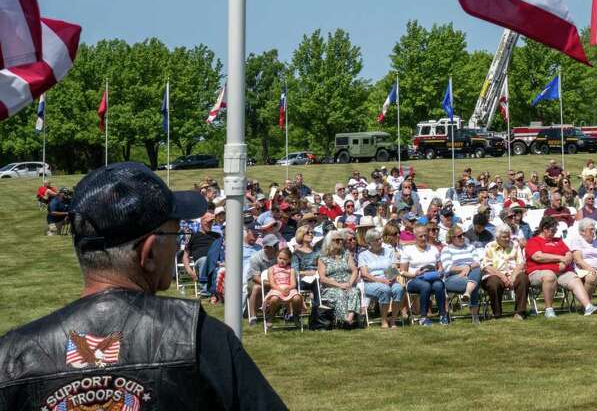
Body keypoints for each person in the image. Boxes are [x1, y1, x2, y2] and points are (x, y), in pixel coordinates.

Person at [0, 161, 285, 410]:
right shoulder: (199, 337)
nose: (177, 244)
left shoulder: (14, 353)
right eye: (175, 232)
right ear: (148, 253)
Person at [525, 216, 597, 318]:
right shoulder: (533, 241)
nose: (555, 232)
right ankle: (549, 310)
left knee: (574, 278)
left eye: (556, 230)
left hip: (561, 272)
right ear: (544, 229)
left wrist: (565, 262)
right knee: (549, 276)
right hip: (539, 272)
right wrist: (560, 258)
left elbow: (569, 254)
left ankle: (588, 307)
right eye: (553, 230)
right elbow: (538, 256)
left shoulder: (558, 240)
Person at [399, 224, 448, 326]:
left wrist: (440, 271)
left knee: (439, 285)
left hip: (432, 277)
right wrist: (414, 274)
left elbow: (440, 266)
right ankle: (423, 317)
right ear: (415, 236)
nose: (424, 238)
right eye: (421, 236)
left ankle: (443, 315)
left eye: (425, 235)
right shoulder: (408, 250)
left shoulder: (433, 249)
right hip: (414, 280)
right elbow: (402, 271)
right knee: (425, 286)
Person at [357, 228, 407, 328]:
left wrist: (390, 279)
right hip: (371, 282)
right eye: (377, 240)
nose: (380, 241)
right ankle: (384, 321)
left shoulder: (389, 251)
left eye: (380, 239)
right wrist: (381, 281)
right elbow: (365, 274)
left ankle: (393, 320)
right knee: (385, 289)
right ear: (370, 242)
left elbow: (393, 269)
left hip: (389, 280)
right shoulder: (363, 255)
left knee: (398, 288)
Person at [480, 226, 529, 319]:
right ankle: (497, 313)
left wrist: (513, 276)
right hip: (495, 274)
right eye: (504, 237)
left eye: (508, 236)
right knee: (493, 283)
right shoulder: (489, 246)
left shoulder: (515, 245)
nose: (507, 239)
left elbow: (521, 263)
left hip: (513, 273)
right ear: (497, 237)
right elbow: (486, 266)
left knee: (523, 278)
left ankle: (520, 312)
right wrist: (502, 276)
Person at [317, 229, 360, 328]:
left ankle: (348, 319)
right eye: (337, 240)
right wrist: (340, 285)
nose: (340, 242)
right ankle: (343, 320)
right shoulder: (322, 258)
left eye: (341, 240)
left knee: (354, 291)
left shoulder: (346, 254)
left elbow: (354, 270)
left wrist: (350, 283)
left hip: (347, 284)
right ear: (329, 242)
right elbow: (323, 278)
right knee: (339, 293)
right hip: (330, 287)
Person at [441, 225, 483, 323]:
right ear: (452, 238)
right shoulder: (446, 250)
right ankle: (475, 316)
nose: (463, 237)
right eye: (459, 236)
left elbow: (478, 262)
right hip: (454, 278)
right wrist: (465, 269)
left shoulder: (470, 247)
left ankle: (468, 292)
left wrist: (469, 268)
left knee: (476, 272)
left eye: (463, 234)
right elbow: (448, 268)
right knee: (474, 282)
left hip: (471, 273)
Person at [263, 247, 305, 326]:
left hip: (289, 288)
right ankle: (271, 316)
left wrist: (288, 289)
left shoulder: (291, 270)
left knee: (297, 298)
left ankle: (296, 316)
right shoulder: (271, 269)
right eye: (280, 258)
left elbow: (293, 284)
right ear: (277, 257)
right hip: (276, 288)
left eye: (285, 259)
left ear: (289, 260)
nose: (282, 261)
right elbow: (272, 284)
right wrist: (280, 290)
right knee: (274, 299)